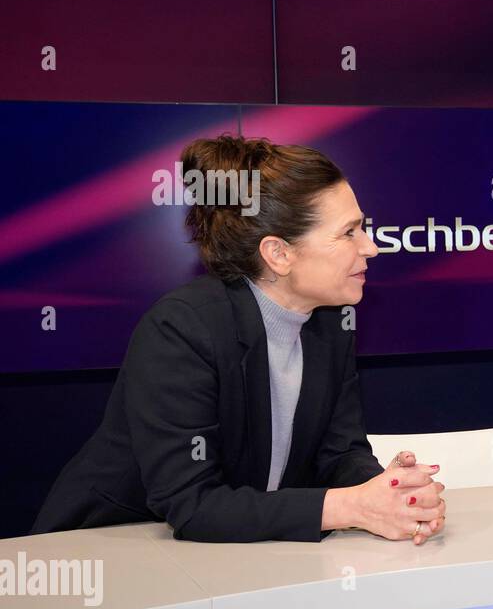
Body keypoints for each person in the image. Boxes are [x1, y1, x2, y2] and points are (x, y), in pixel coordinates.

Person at [32, 135, 445, 543]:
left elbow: (340, 454)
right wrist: (353, 507)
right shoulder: (182, 328)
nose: (371, 247)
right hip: (109, 550)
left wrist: (390, 493)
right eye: (349, 233)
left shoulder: (331, 324)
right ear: (278, 254)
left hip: (238, 555)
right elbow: (192, 504)